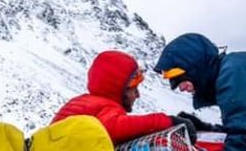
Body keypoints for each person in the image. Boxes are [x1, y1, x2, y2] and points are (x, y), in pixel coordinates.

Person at [52, 50, 196, 144]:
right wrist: (167, 121)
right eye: (134, 89)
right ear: (119, 87)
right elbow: (113, 129)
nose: (137, 95)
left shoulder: (84, 102)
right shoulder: (106, 106)